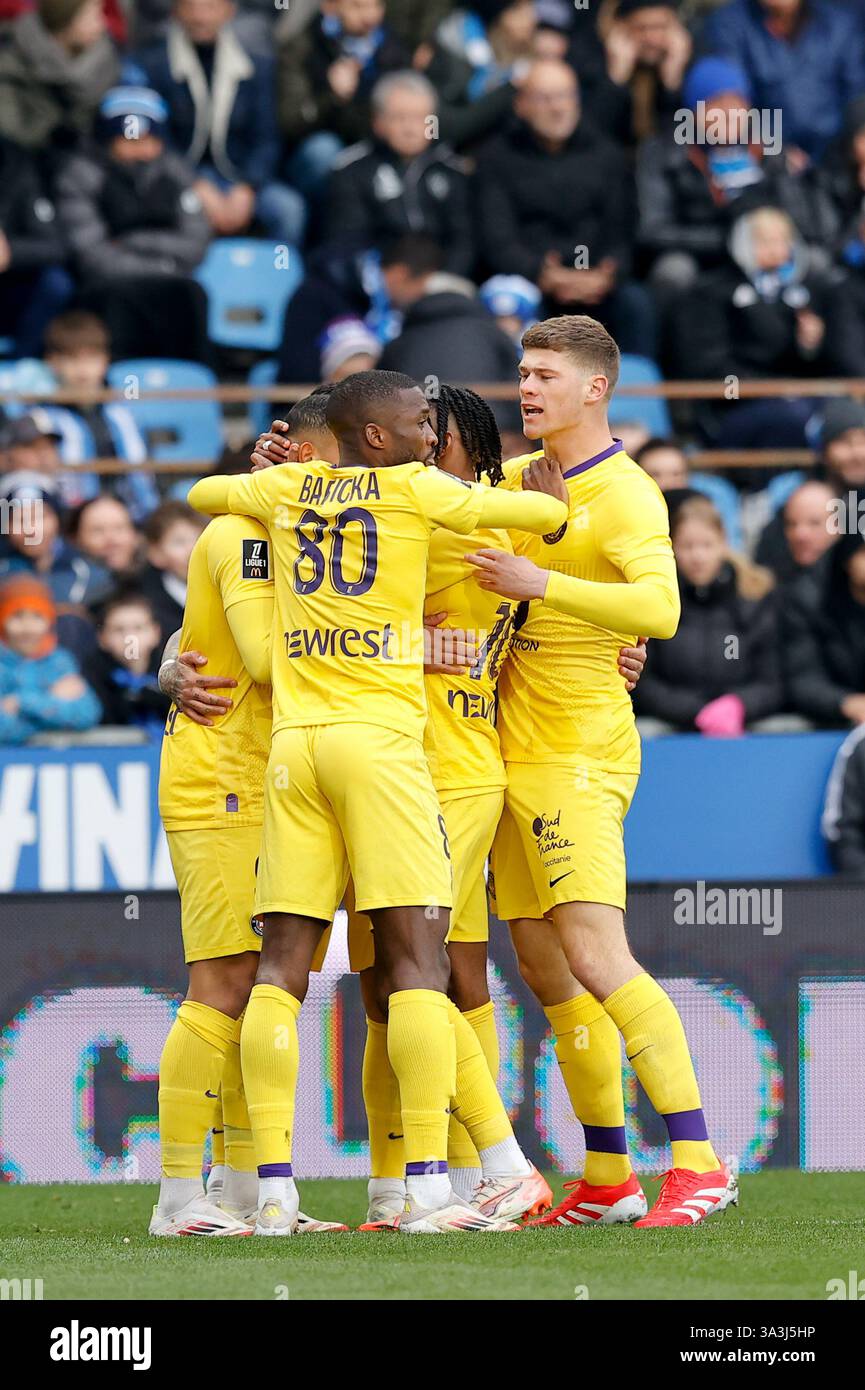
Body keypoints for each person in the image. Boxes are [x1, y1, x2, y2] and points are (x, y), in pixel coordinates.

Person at [185, 370, 569, 1235]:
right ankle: (431, 1188)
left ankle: (273, 1194)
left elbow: (205, 490)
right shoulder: (414, 492)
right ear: (376, 437)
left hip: (296, 749)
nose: (432, 434)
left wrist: (282, 471)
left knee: (283, 968)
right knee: (417, 964)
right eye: (419, 421)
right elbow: (536, 520)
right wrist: (543, 504)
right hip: (383, 749)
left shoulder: (286, 489)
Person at [463, 315, 736, 1228]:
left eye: (544, 374)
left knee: (594, 952)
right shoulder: (512, 483)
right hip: (506, 757)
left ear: (596, 389)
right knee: (545, 971)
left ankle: (697, 1161)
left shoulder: (626, 493)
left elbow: (658, 608)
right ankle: (609, 1175)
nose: (527, 387)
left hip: (577, 755)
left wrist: (542, 586)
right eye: (521, 371)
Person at [475, 60, 655, 354]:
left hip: (600, 285)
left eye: (565, 96)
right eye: (545, 98)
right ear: (521, 105)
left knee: (637, 304)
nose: (558, 108)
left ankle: (638, 396)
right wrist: (542, 275)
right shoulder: (496, 158)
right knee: (508, 305)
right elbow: (496, 239)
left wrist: (609, 274)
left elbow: (624, 229)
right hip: (531, 283)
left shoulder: (607, 154)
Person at [55, 86, 212, 362]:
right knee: (120, 297)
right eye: (129, 140)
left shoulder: (176, 173)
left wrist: (133, 242)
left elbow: (196, 241)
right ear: (108, 140)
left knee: (191, 295)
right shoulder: (80, 174)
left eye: (147, 139)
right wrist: (161, 263)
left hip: (170, 279)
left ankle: (191, 392)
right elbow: (92, 254)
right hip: (110, 284)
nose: (140, 149)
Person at [130, 0, 304, 246]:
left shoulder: (256, 65)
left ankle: (280, 278)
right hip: (181, 176)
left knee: (288, 210)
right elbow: (157, 142)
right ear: (176, 12)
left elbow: (266, 139)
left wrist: (248, 187)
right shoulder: (153, 66)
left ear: (229, 11)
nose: (200, 17)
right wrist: (193, 184)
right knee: (175, 210)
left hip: (240, 176)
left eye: (210, 7)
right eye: (191, 7)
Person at [632, 495, 782, 734]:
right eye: (687, 546)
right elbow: (644, 682)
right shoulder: (656, 600)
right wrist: (696, 711)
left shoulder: (754, 597)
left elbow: (771, 681)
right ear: (672, 549)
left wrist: (738, 705)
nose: (697, 557)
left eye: (706, 545)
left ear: (723, 544)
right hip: (673, 723)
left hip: (743, 722)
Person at [325, 72, 475, 277]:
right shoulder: (352, 171)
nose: (410, 128)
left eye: (420, 118)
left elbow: (464, 241)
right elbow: (349, 242)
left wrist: (442, 281)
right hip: (376, 286)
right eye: (400, 118)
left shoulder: (451, 171)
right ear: (378, 122)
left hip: (442, 285)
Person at [700, 0, 865, 162]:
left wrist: (860, 135)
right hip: (763, 159)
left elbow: (857, 93)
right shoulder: (729, 24)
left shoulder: (840, 22)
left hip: (836, 157)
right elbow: (727, 98)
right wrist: (773, 152)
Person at [376, 238, 521, 412]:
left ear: (398, 274)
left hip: (430, 435)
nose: (386, 292)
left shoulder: (399, 346)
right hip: (498, 434)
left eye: (385, 281)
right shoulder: (492, 332)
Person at [40, 311, 159, 522]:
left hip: (131, 520)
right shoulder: (42, 419)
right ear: (53, 362)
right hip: (70, 523)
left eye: (92, 358)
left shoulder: (126, 416)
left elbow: (146, 475)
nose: (83, 370)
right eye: (72, 359)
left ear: (106, 361)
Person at [277, 0, 409, 185]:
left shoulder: (393, 50)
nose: (369, 16)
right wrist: (333, 97)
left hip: (370, 145)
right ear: (330, 6)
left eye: (376, 5)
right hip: (310, 153)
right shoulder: (304, 46)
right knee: (323, 150)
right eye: (357, 6)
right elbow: (291, 122)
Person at [0, 0, 119, 166]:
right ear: (66, 23)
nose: (101, 23)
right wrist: (53, 95)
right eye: (91, 16)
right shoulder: (11, 66)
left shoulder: (102, 67)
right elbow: (16, 136)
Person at [0, 574, 100, 743]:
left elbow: (87, 714)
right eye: (17, 616)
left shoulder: (60, 661)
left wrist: (21, 702)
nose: (27, 627)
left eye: (37, 616)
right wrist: (52, 703)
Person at [782, 532, 865, 729]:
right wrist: (844, 702)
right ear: (848, 557)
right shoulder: (809, 598)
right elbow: (802, 677)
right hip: (831, 721)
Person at [0, 136, 70, 357]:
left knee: (56, 283)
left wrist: (10, 251)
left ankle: (23, 365)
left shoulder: (14, 163)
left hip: (10, 284)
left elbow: (55, 246)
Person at [83, 590, 170, 729]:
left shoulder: (172, 669)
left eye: (138, 628)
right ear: (102, 638)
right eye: (119, 630)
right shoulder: (91, 676)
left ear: (155, 633)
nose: (130, 638)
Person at [139, 501, 207, 644]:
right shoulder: (147, 607)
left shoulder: (227, 591)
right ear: (155, 553)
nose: (193, 550)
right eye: (179, 542)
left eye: (200, 539)